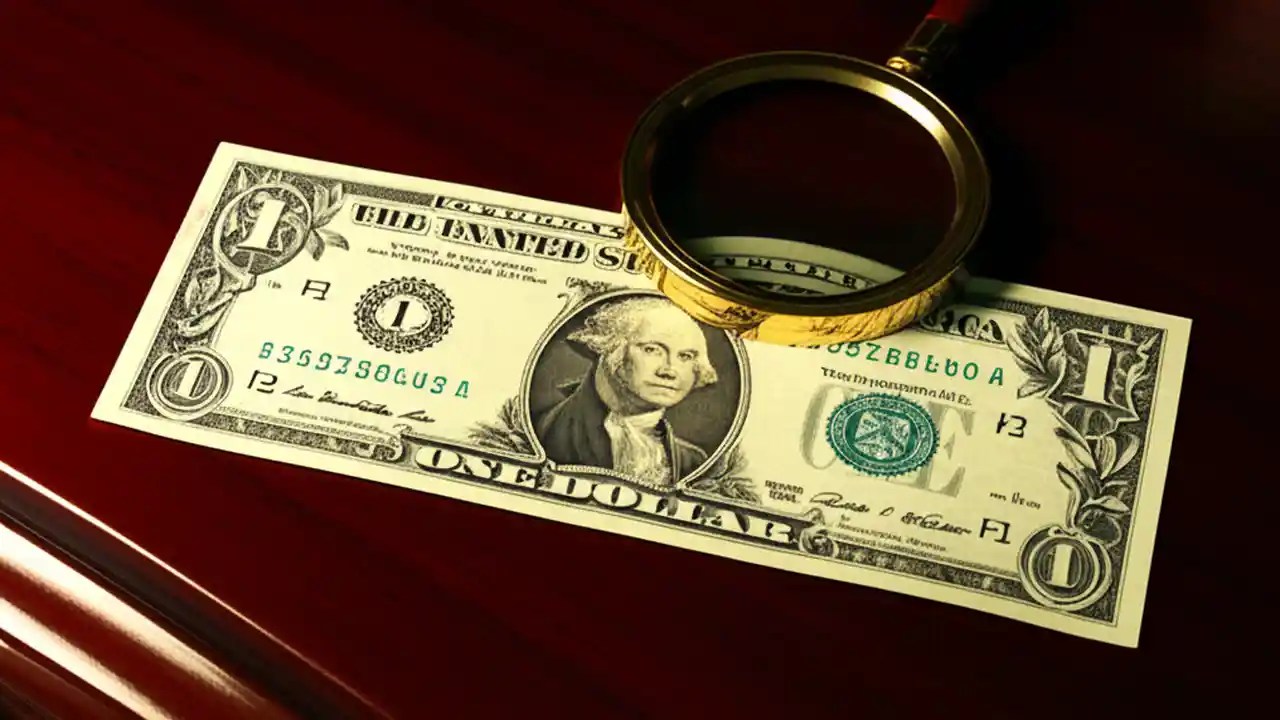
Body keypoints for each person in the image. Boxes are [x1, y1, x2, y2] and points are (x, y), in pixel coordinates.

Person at [533, 296, 719, 487]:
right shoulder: (546, 430)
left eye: (685, 356)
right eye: (652, 349)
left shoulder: (692, 461)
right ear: (611, 348)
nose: (669, 371)